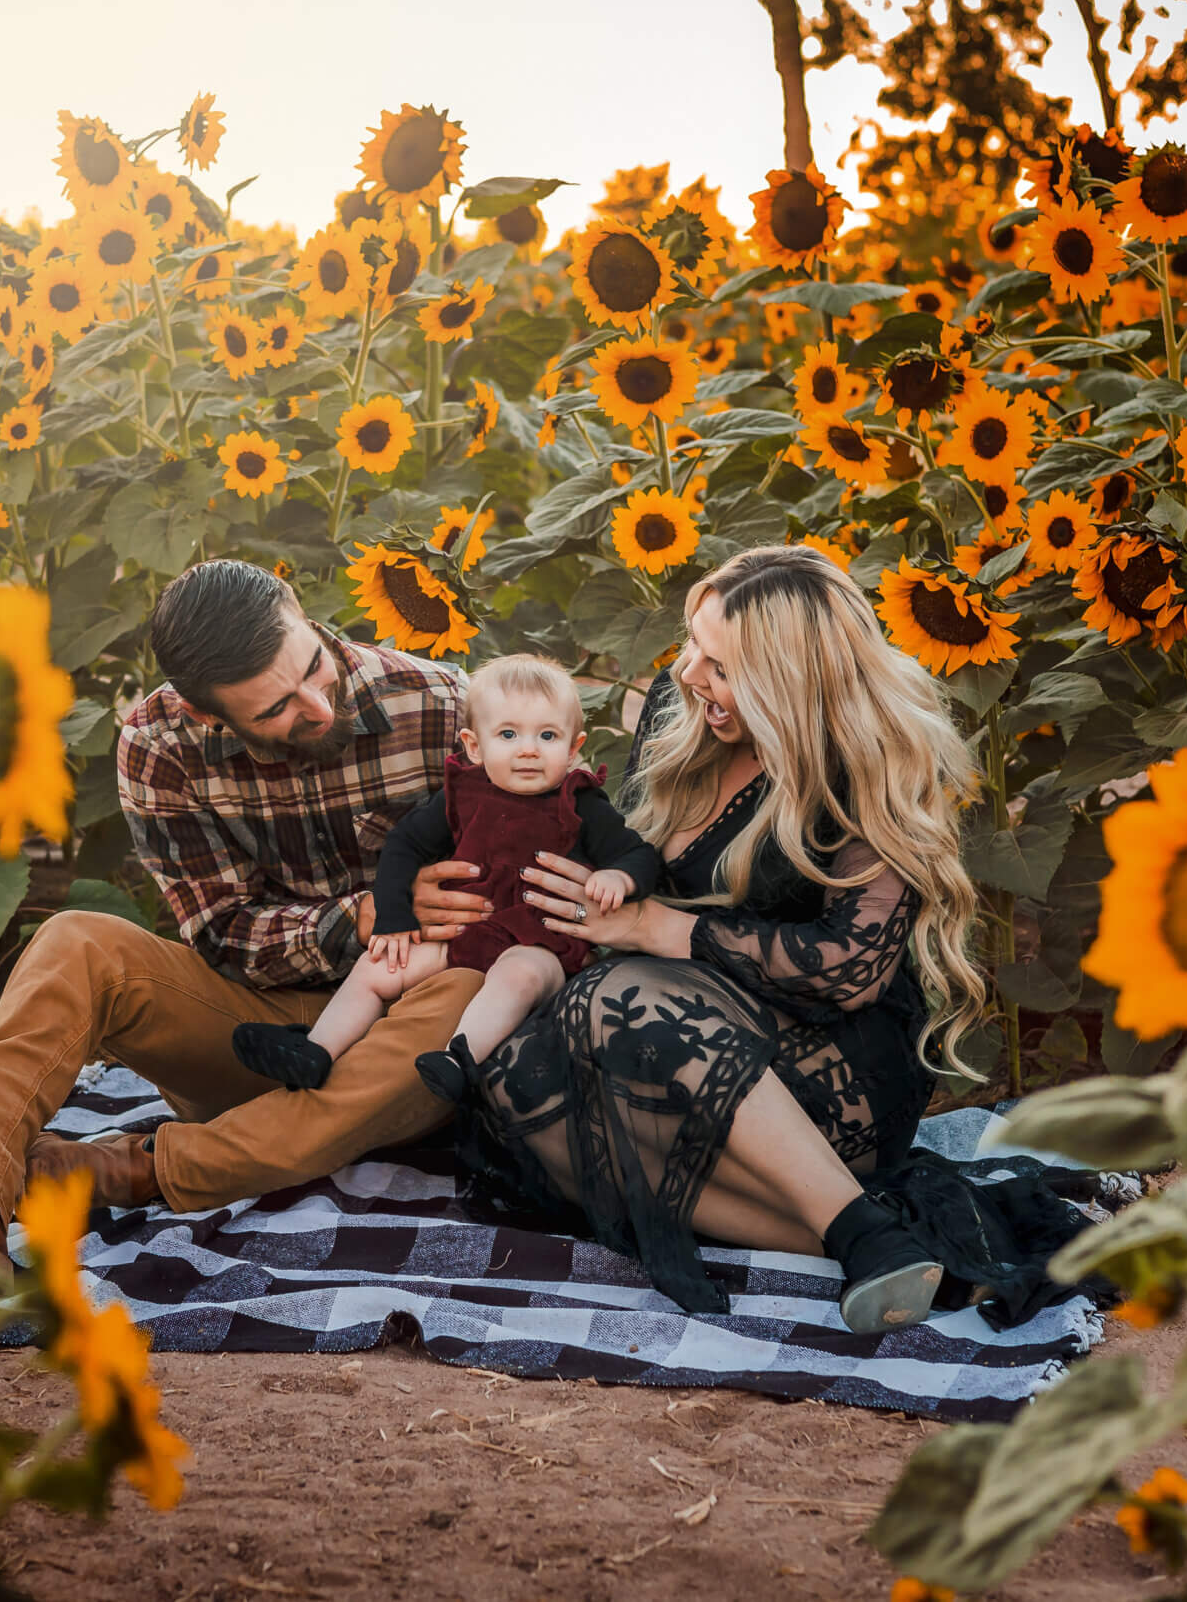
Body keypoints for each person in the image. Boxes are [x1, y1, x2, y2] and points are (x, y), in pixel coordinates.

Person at [448, 545, 1091, 1335]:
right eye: (693, 645)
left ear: (784, 682)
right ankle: (888, 1239)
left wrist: (658, 926)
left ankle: (858, 1227)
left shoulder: (863, 761)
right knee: (514, 1078)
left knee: (623, 995)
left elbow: (850, 969)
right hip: (677, 1026)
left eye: (717, 666)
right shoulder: (683, 712)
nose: (688, 673)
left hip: (831, 1066)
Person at [0, 560, 496, 1269]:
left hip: (409, 1035)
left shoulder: (443, 706)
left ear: (301, 612)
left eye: (315, 668)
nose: (317, 707)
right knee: (78, 938)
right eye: (275, 710)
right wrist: (358, 915)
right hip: (261, 1032)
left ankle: (125, 1170)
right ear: (206, 711)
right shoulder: (158, 742)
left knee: (469, 989)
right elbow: (224, 932)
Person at [228, 653, 664, 1103]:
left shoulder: (582, 804)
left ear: (573, 749)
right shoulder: (461, 795)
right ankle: (315, 1049)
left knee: (518, 977)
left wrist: (619, 878)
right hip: (463, 934)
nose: (529, 749)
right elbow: (404, 845)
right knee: (379, 964)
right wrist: (394, 917)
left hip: (541, 944)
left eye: (548, 735)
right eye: (509, 734)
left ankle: (460, 1060)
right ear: (475, 747)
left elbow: (639, 855)